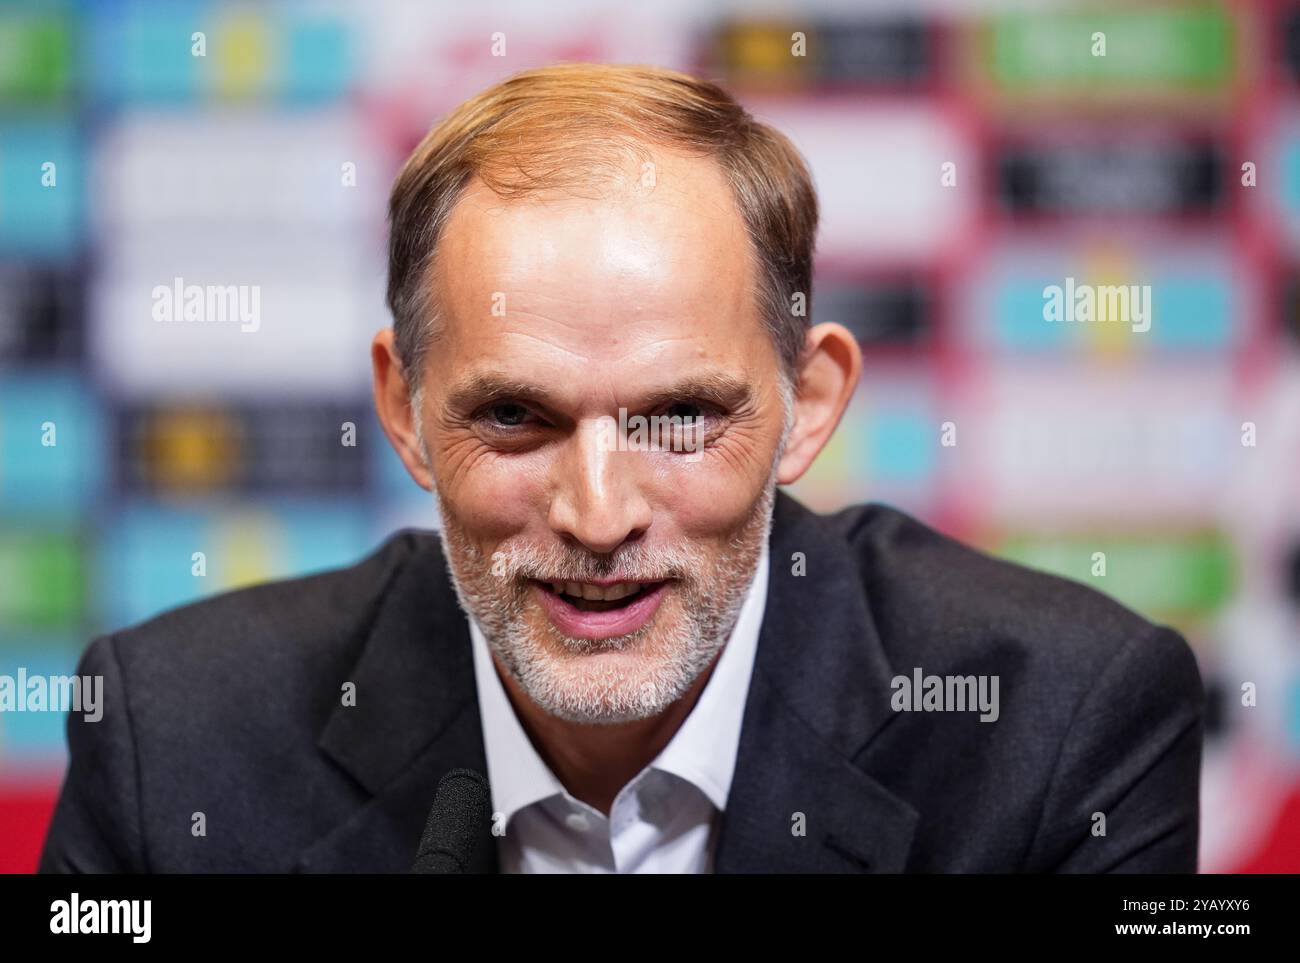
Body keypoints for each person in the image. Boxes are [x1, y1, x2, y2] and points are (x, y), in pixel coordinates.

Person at [40, 63, 1203, 873]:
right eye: (513, 417)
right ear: (402, 410)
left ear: (807, 406)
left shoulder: (1057, 725)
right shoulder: (175, 741)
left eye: (680, 417)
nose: (597, 516)